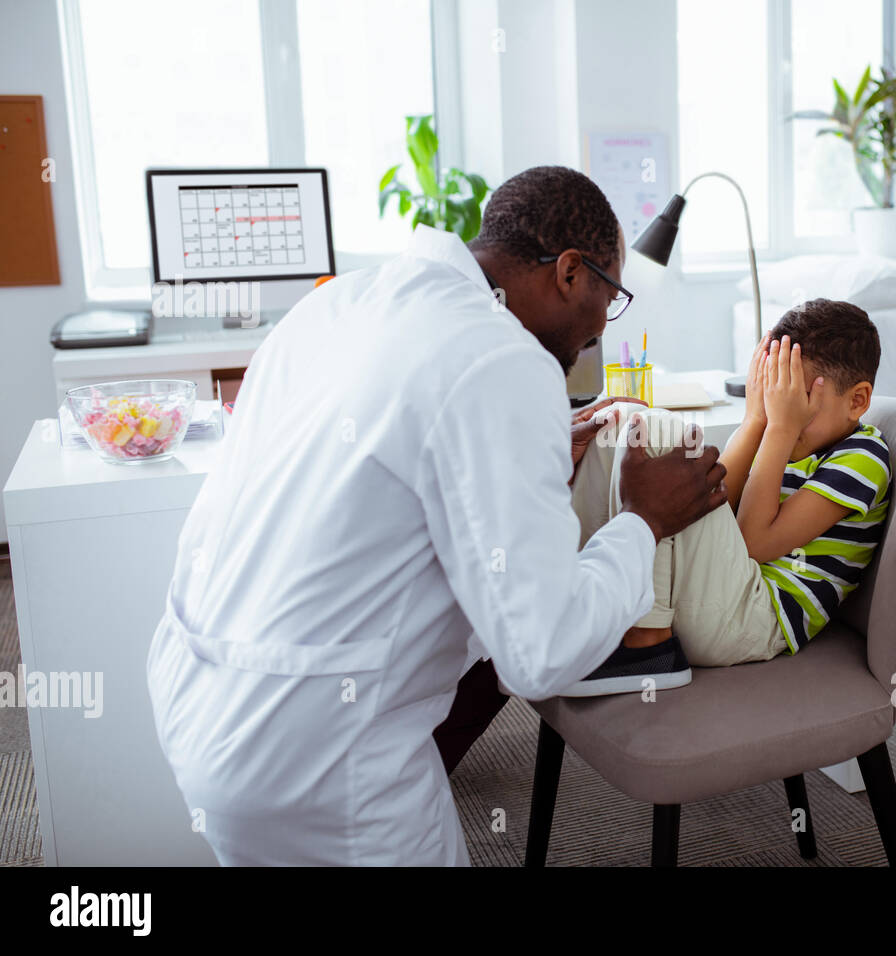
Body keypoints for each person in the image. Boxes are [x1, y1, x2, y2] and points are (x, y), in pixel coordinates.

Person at [145, 165, 727, 865]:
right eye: (612, 295)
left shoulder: (341, 302)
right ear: (572, 273)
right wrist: (643, 519)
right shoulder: (505, 361)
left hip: (196, 694)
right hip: (315, 753)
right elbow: (541, 650)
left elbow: (372, 477)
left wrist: (517, 460)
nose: (601, 327)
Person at [559, 298, 890, 696]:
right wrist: (755, 421)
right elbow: (712, 496)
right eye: (775, 398)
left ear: (857, 400)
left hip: (753, 619)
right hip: (720, 597)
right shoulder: (781, 436)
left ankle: (649, 648)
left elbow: (751, 543)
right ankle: (582, 607)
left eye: (797, 402)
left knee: (662, 433)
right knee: (621, 424)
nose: (783, 414)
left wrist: (780, 430)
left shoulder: (863, 458)